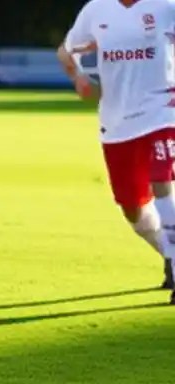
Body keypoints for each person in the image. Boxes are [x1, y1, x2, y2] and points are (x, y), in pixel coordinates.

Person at [59, 0, 175, 299]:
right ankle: (169, 255)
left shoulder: (165, 7)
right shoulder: (96, 10)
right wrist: (78, 78)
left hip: (162, 110)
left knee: (162, 180)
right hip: (117, 122)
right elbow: (66, 49)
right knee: (132, 208)